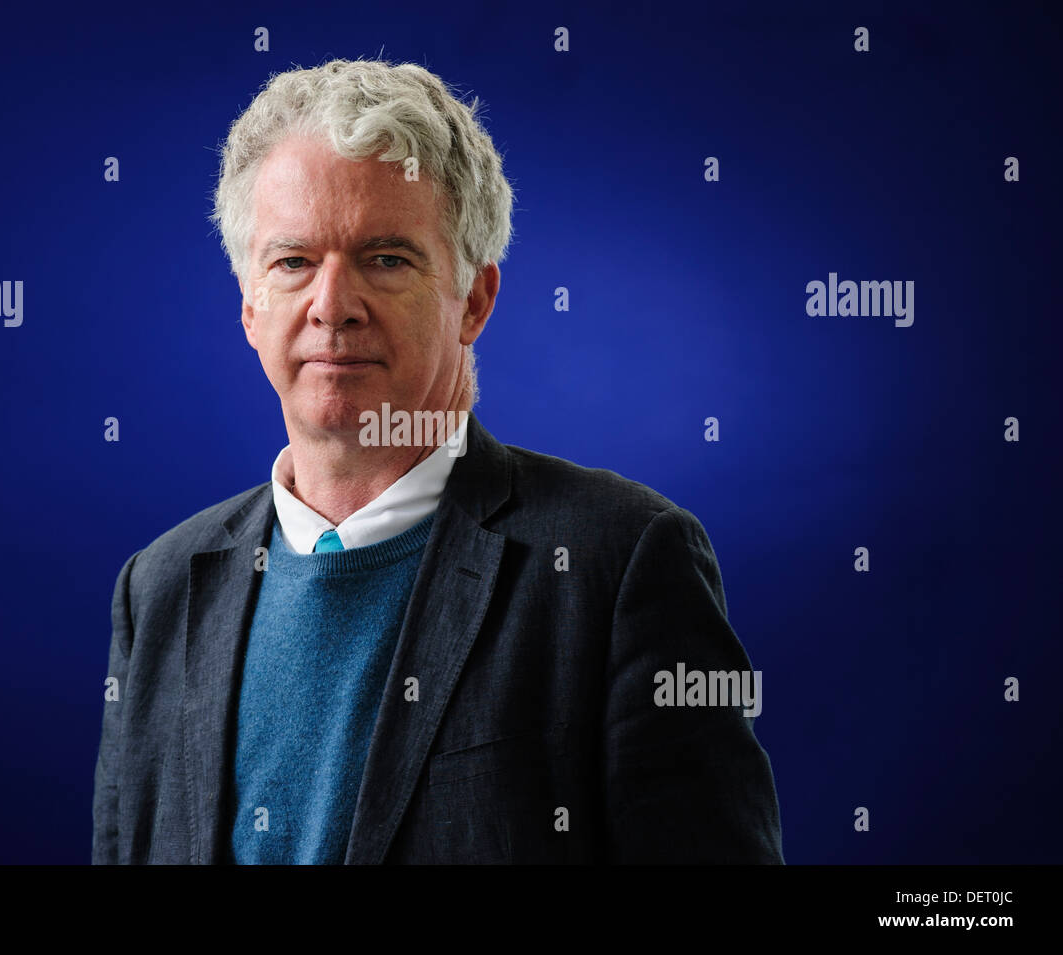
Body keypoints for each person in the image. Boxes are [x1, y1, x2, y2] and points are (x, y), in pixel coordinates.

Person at [91, 57, 783, 864]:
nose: (332, 305)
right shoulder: (160, 590)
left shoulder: (620, 564)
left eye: (386, 258)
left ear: (475, 300)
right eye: (293, 262)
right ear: (250, 306)